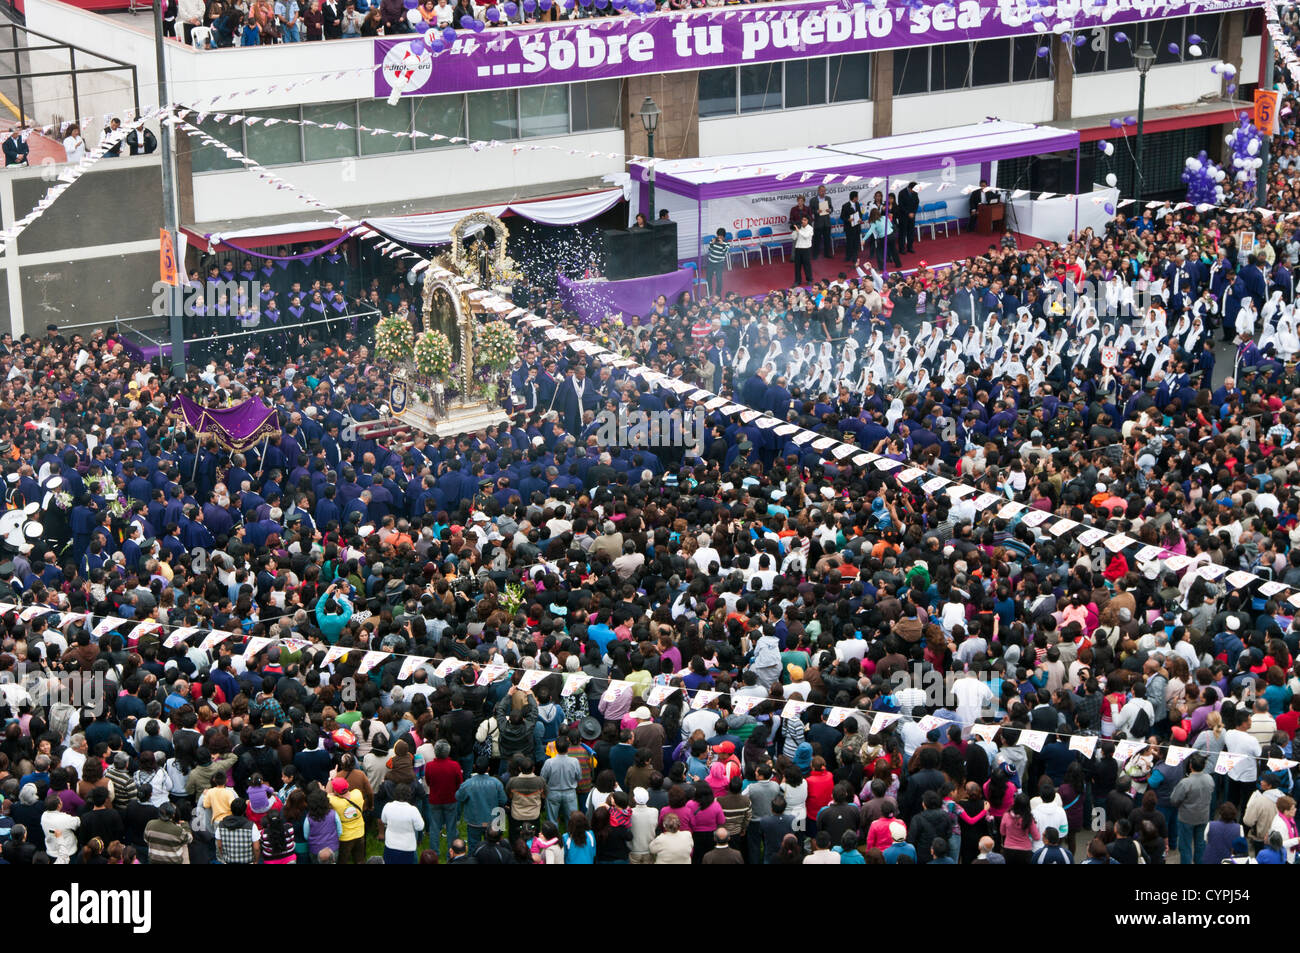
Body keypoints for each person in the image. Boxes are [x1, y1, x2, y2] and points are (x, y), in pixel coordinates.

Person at [706, 227, 729, 299]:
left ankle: (718, 294)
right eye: (718, 235)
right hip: (711, 262)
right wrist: (712, 243)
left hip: (719, 263)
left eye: (721, 236)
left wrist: (723, 244)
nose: (719, 237)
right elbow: (710, 249)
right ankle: (709, 292)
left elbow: (725, 252)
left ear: (723, 236)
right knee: (708, 278)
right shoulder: (713, 240)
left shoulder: (726, 243)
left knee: (719, 280)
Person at [793, 218, 814, 285]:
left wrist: (798, 231)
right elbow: (793, 238)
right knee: (797, 266)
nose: (803, 221)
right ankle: (797, 281)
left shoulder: (810, 228)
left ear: (808, 221)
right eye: (802, 220)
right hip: (798, 248)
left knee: (807, 265)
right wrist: (795, 231)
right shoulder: (799, 227)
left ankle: (809, 279)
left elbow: (806, 236)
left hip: (806, 249)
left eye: (805, 220)